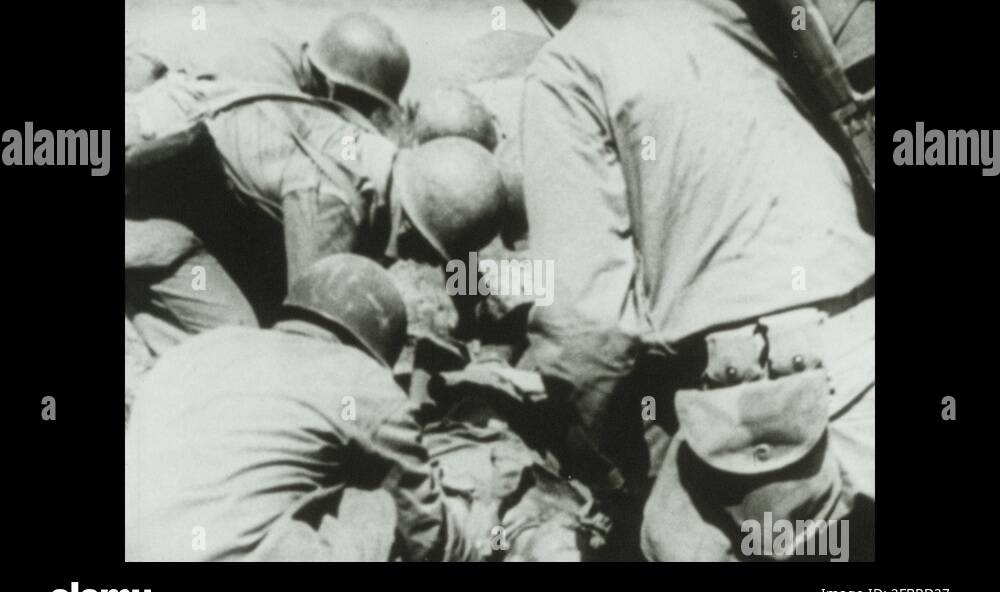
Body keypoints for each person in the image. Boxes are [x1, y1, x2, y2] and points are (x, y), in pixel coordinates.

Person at [517, 0, 875, 561]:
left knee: (667, 540)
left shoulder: (568, 67)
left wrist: (625, 465)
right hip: (867, 336)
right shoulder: (736, 11)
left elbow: (582, 331)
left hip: (775, 398)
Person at [125, 254, 485, 562]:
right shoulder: (360, 377)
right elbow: (428, 535)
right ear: (374, 346)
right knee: (374, 501)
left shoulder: (197, 350)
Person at [126, 74, 506, 355]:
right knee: (246, 351)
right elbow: (308, 346)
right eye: (421, 252)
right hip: (143, 213)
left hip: (188, 199)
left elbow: (457, 253)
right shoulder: (332, 205)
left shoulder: (394, 167)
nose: (415, 260)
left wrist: (485, 328)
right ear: (408, 226)